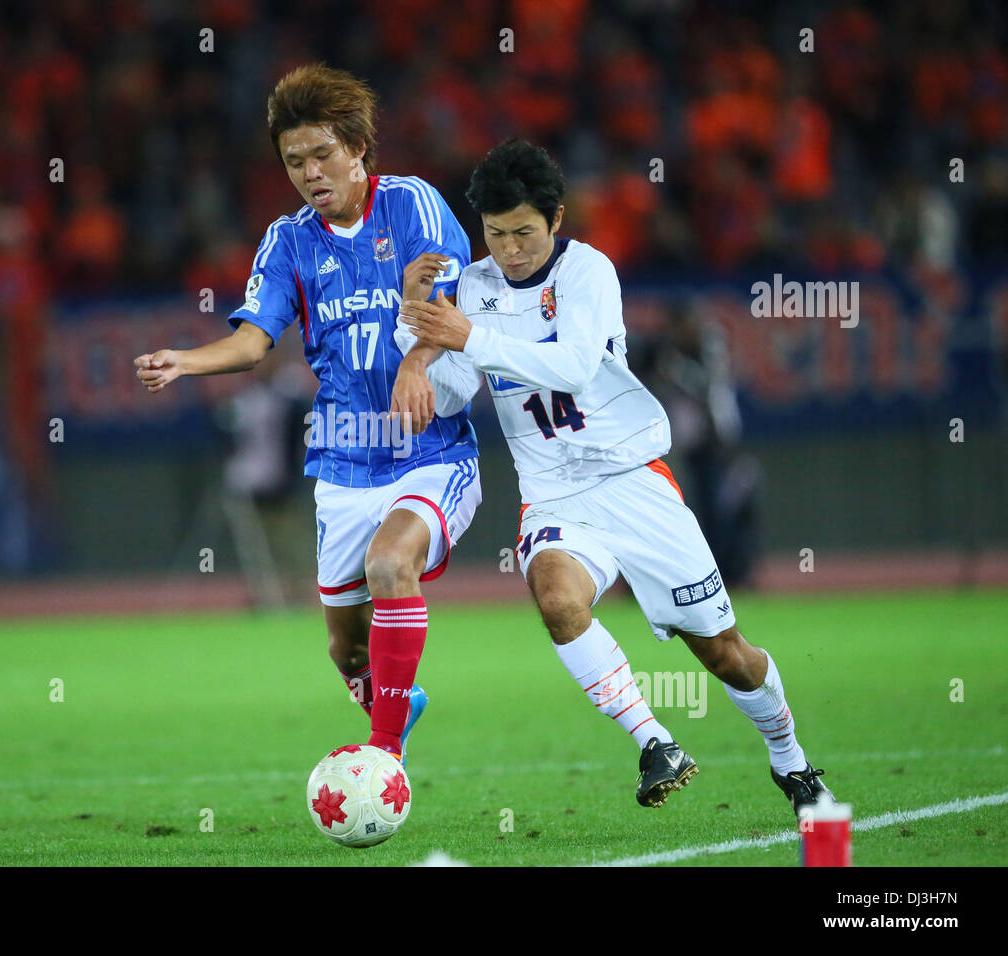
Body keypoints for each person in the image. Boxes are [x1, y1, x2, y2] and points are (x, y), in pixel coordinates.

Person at [399, 138, 833, 817]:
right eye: (494, 233)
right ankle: (654, 740)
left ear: (557, 220)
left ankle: (792, 761)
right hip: (554, 492)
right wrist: (413, 330)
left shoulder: (589, 273)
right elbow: (455, 392)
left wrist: (465, 337)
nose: (509, 248)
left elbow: (572, 366)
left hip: (633, 480)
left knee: (724, 653)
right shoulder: (474, 288)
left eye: (523, 231)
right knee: (555, 595)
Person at [136, 65, 480, 763]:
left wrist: (415, 365)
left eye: (322, 154)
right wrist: (187, 360)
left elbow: (448, 301)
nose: (309, 172)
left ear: (357, 148)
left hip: (432, 450)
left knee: (391, 565)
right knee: (345, 650)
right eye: (294, 161)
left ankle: (384, 756)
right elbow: (254, 340)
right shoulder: (288, 242)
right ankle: (392, 704)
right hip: (344, 460)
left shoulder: (412, 205)